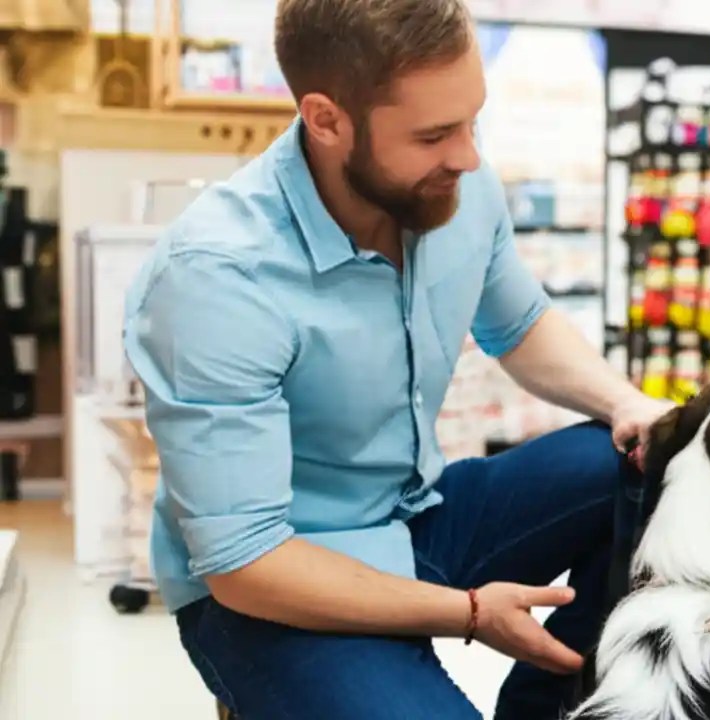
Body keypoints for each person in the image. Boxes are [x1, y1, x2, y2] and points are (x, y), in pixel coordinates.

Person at [121, 1, 671, 718]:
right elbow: (245, 563)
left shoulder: (457, 189)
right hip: (278, 581)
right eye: (435, 134)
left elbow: (521, 323)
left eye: (473, 122)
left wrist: (628, 403)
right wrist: (468, 611)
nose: (468, 158)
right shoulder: (219, 276)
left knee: (658, 466)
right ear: (325, 120)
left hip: (417, 514)